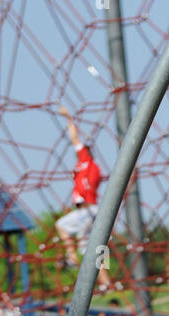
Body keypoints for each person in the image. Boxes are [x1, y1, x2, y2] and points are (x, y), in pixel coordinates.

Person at [56, 107, 112, 292]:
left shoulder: (86, 161)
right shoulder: (95, 169)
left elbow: (75, 138)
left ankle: (71, 257)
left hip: (87, 211)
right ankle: (106, 282)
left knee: (61, 225)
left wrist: (69, 118)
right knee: (94, 248)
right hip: (93, 211)